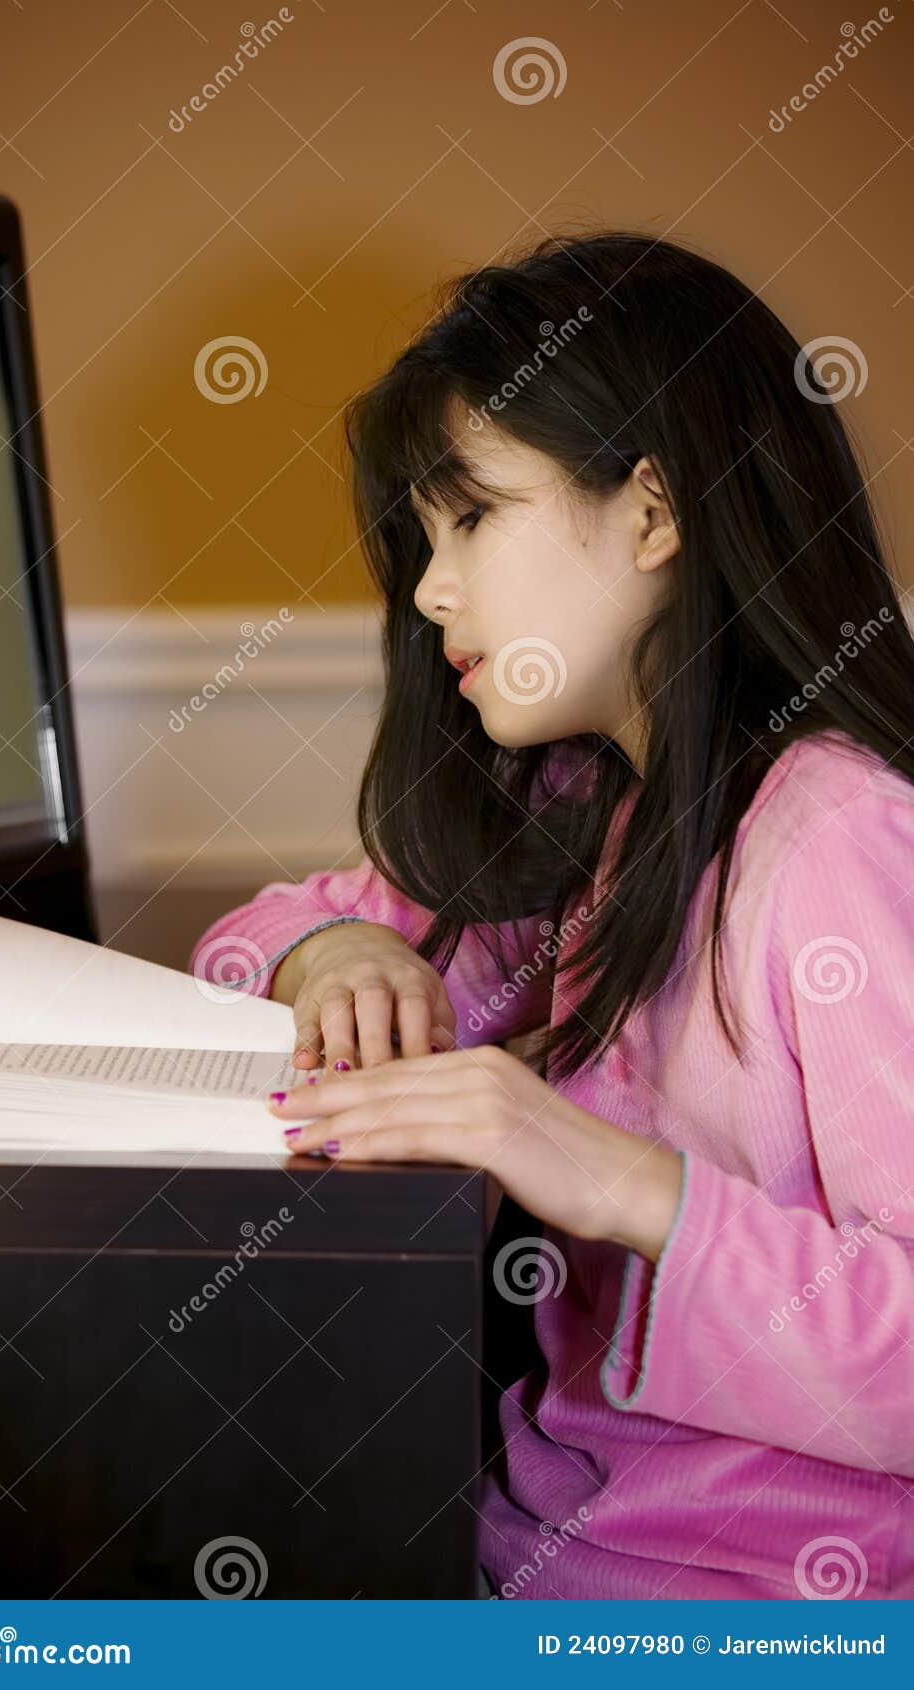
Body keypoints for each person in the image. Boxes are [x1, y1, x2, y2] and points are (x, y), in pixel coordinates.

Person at [190, 231, 914, 1599]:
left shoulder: (839, 835)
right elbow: (261, 932)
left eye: (471, 517)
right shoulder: (598, 814)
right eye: (423, 537)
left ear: (655, 511)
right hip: (542, 1552)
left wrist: (611, 1177)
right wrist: (334, 952)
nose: (429, 588)